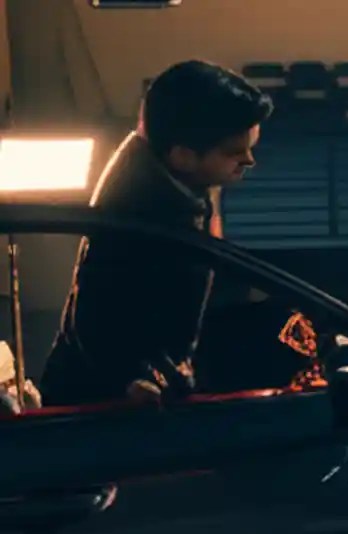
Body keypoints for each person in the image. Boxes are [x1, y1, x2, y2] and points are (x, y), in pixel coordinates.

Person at [40, 60, 273, 407]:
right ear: (183, 156)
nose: (249, 160)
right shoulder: (137, 210)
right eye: (234, 152)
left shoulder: (180, 178)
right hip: (104, 405)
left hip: (148, 386)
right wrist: (130, 379)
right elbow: (94, 313)